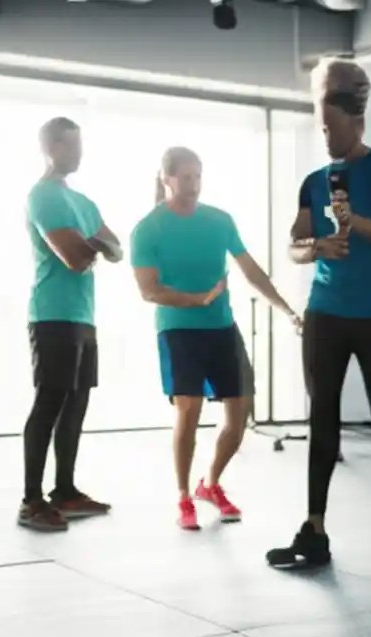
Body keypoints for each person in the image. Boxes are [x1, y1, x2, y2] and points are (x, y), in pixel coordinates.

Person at [267, 58, 371, 568]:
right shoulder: (314, 180)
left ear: (358, 122)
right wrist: (318, 248)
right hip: (326, 312)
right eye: (321, 126)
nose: (326, 133)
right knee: (321, 416)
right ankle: (314, 528)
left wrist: (357, 223)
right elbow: (293, 246)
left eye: (332, 125)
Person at [131, 147, 302, 530]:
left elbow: (250, 269)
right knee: (188, 409)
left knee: (238, 415)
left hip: (221, 327)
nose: (192, 185)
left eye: (197, 176)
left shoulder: (219, 221)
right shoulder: (148, 228)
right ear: (166, 179)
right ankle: (183, 498)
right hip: (177, 328)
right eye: (185, 177)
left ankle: (210, 484)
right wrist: (196, 300)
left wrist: (286, 309)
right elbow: (149, 290)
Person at [19, 117, 119, 533]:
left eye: (81, 145)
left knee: (77, 403)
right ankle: (31, 500)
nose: (79, 154)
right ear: (51, 148)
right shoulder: (42, 196)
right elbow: (75, 258)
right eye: (72, 146)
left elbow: (115, 249)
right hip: (52, 314)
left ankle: (64, 491)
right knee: (50, 402)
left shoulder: (84, 202)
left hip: (83, 315)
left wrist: (91, 244)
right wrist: (91, 245)